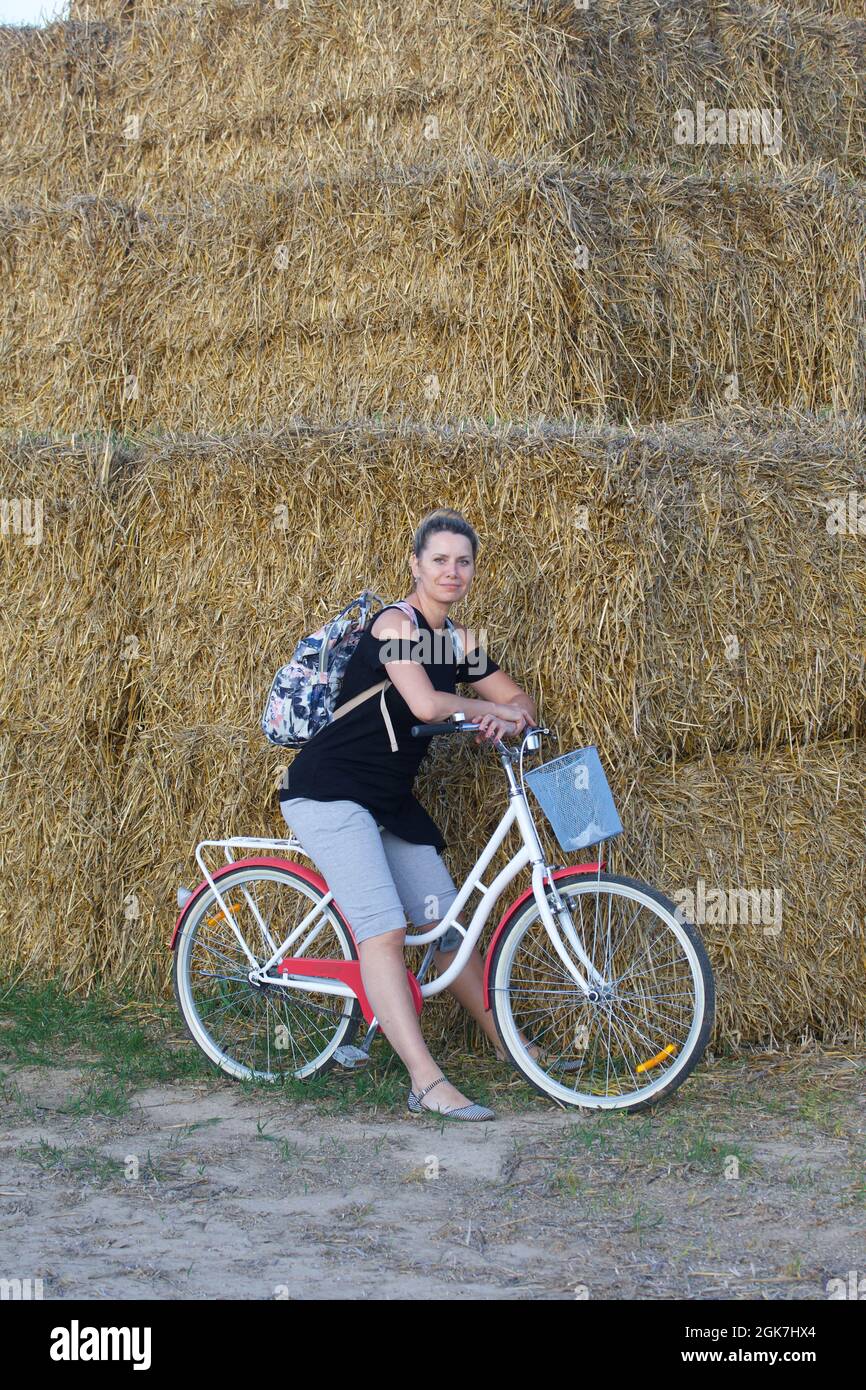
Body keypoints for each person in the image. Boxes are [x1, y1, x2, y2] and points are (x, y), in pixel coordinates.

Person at [279, 507, 538, 1120]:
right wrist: (482, 712)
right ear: (416, 565)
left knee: (446, 923)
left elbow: (516, 695)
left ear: (474, 570)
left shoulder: (461, 641)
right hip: (330, 791)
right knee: (386, 930)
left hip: (388, 800)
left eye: (463, 561)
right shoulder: (394, 623)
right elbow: (422, 703)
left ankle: (513, 1049)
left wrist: (512, 711)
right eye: (440, 560)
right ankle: (424, 1081)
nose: (452, 571)